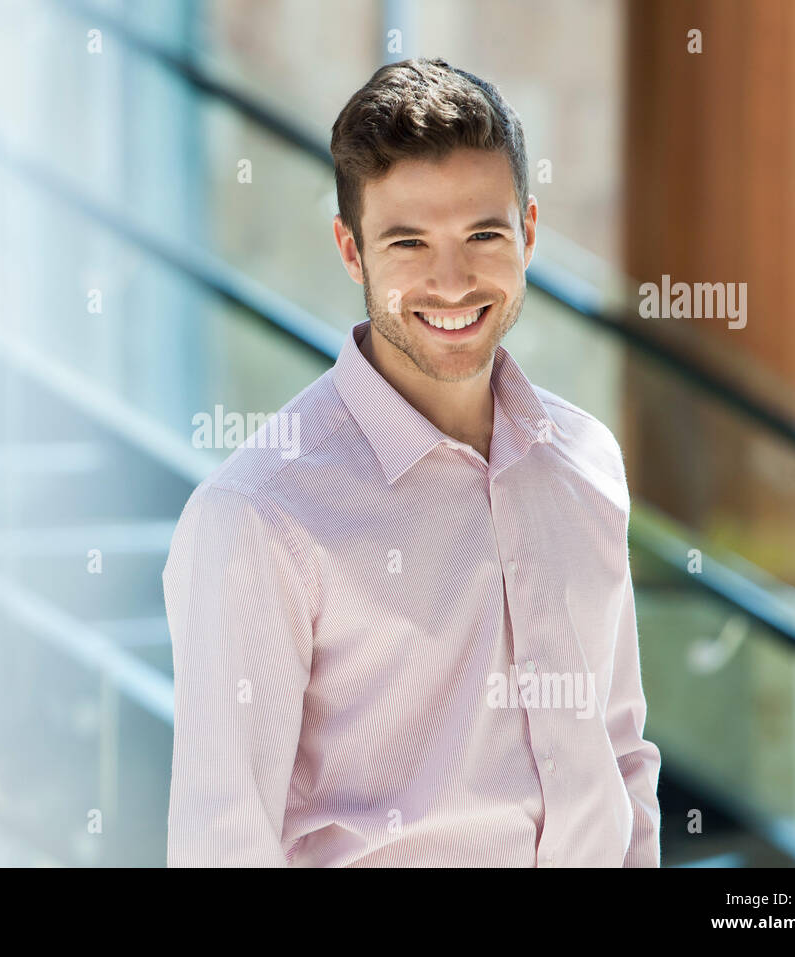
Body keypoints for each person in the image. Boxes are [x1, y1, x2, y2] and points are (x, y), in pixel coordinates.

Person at [162, 57, 661, 867]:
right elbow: (224, 845)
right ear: (351, 251)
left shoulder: (585, 464)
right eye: (408, 242)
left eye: (483, 235)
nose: (452, 280)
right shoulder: (258, 516)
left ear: (528, 232)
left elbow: (621, 756)